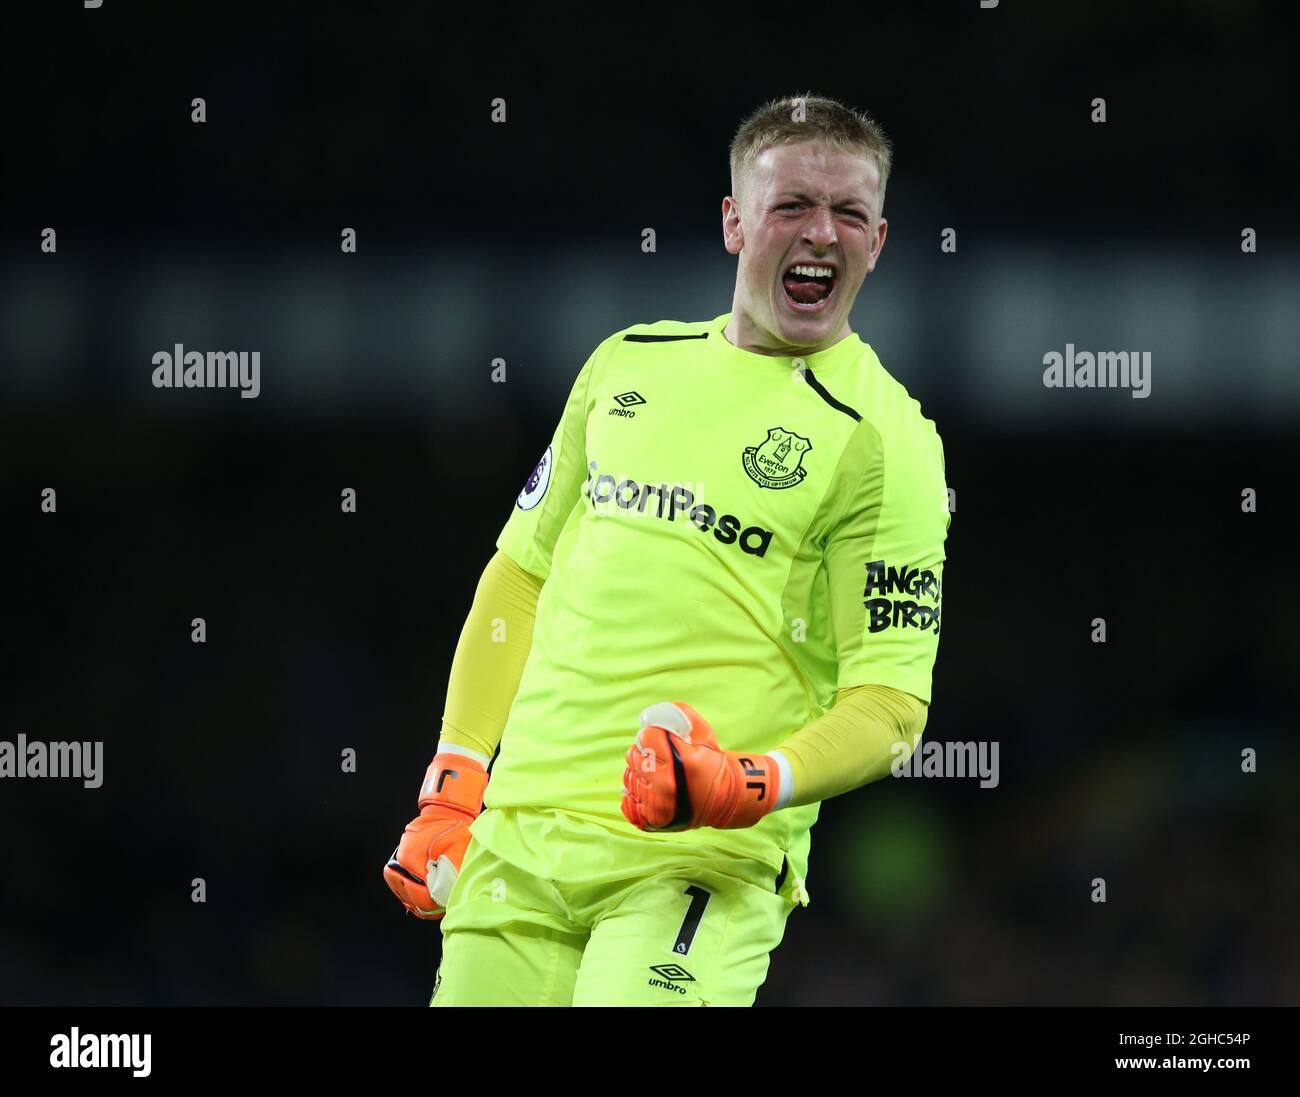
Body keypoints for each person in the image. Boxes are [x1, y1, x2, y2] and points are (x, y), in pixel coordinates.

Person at [383, 92, 950, 1006]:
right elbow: (520, 577)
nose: (822, 233)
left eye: (850, 213)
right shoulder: (626, 363)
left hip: (696, 861)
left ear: (877, 241)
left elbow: (889, 707)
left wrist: (746, 784)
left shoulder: (887, 443)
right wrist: (454, 784)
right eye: (792, 205)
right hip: (519, 839)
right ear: (734, 222)